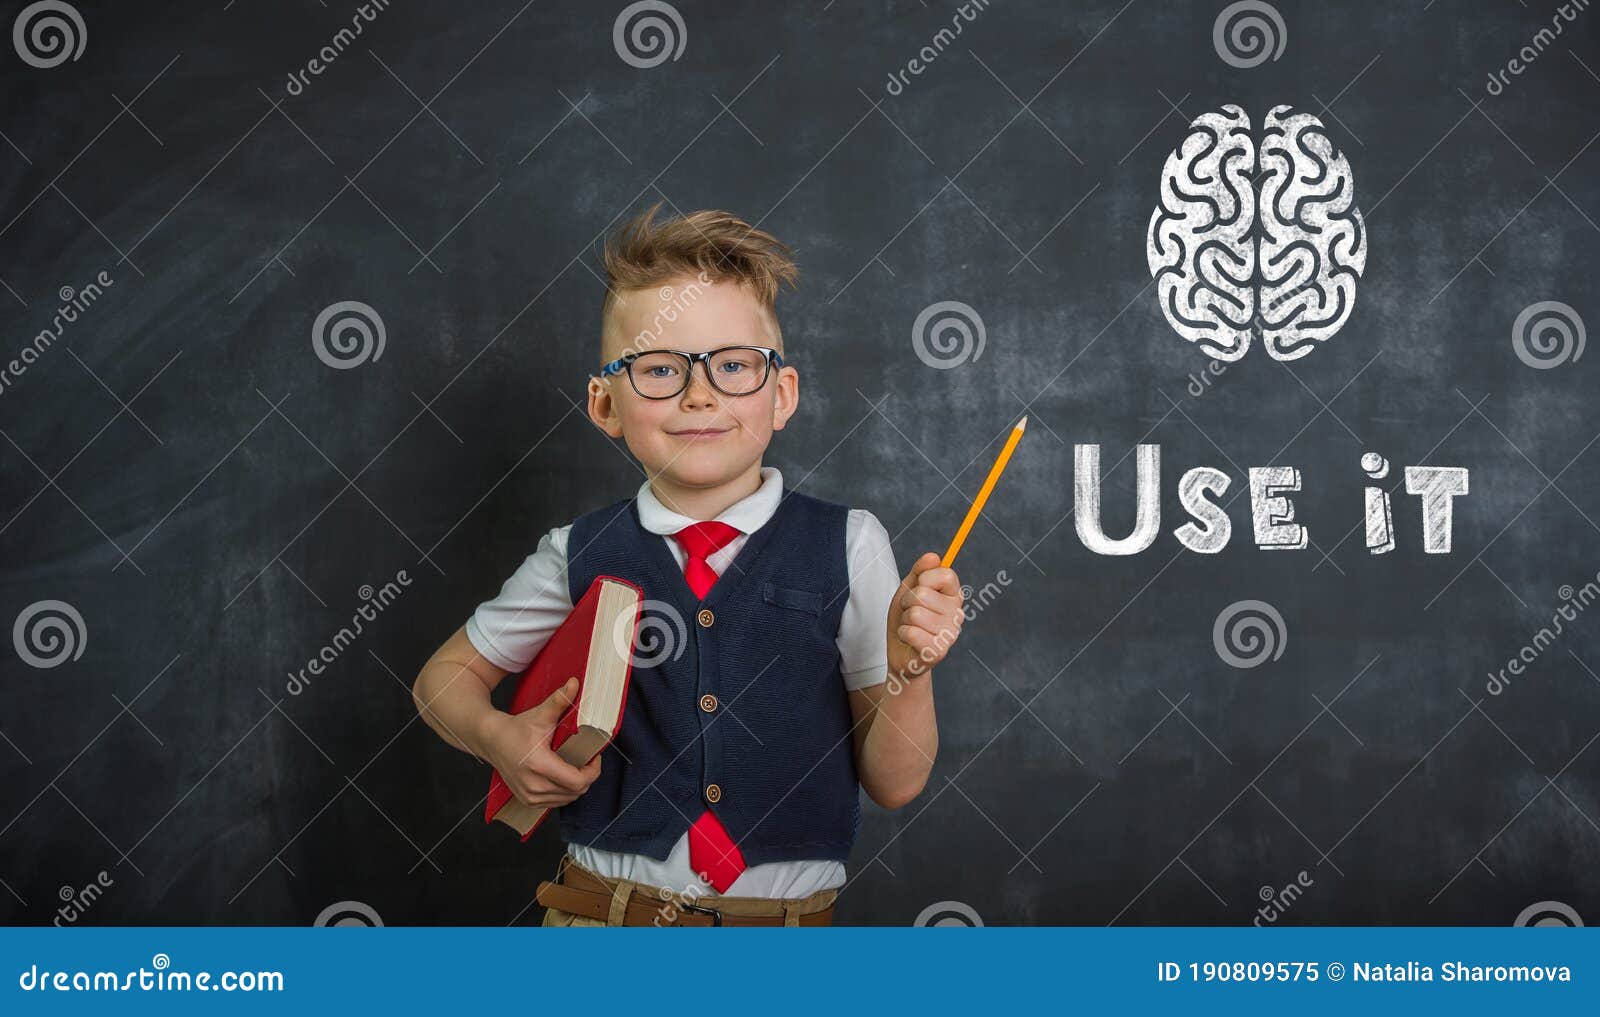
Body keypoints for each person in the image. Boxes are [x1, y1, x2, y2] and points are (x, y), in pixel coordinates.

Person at [412, 203, 966, 926]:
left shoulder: (850, 544)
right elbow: (439, 681)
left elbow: (895, 781)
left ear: (783, 395)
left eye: (735, 365)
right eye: (659, 369)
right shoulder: (576, 549)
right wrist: (497, 739)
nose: (699, 393)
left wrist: (910, 670)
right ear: (605, 404)